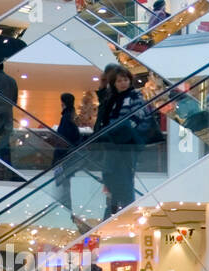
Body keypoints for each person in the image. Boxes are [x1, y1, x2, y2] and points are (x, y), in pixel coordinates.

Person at [93, 63, 149, 218]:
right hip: (113, 144)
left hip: (127, 144)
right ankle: (114, 208)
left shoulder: (134, 96)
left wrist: (122, 128)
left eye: (125, 80)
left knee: (125, 178)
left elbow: (139, 117)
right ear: (114, 83)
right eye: (119, 81)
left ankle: (126, 211)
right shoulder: (112, 99)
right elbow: (105, 116)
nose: (123, 83)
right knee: (109, 174)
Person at [53, 91, 82, 213]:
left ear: (63, 102)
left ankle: (66, 206)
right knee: (67, 181)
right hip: (70, 154)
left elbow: (63, 136)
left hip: (65, 154)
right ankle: (67, 205)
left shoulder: (66, 117)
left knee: (65, 182)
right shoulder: (72, 115)